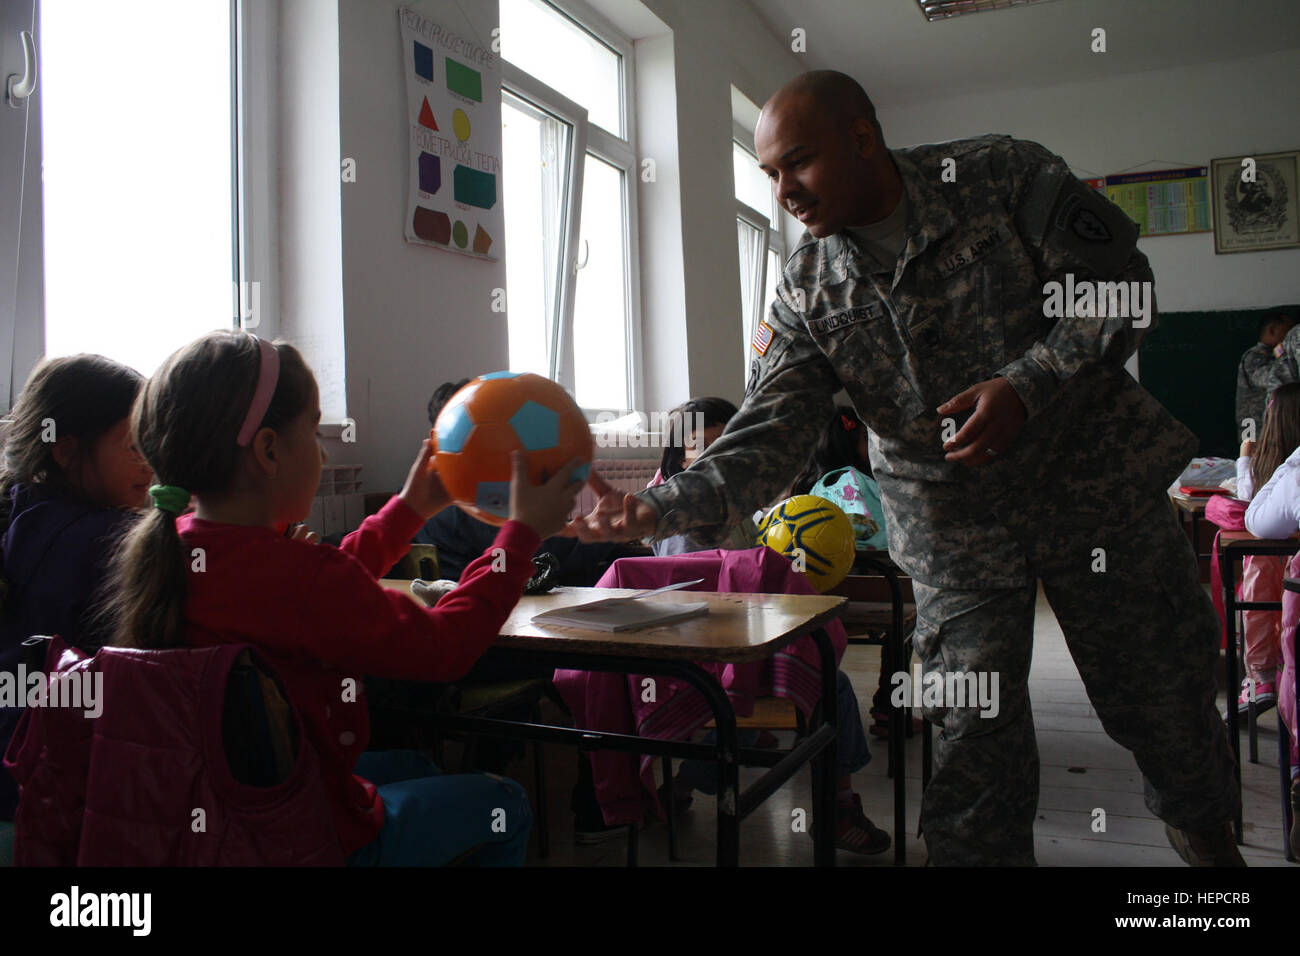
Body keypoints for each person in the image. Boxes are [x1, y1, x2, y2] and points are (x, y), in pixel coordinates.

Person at [569, 70, 1240, 866]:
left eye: (799, 163)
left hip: (1094, 494)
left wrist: (1029, 386)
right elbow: (769, 430)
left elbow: (1121, 290)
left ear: (862, 139)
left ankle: (1209, 854)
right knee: (971, 732)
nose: (784, 190)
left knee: (1165, 699)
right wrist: (660, 507)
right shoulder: (808, 286)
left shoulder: (1003, 176)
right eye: (770, 175)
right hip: (952, 529)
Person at [101, 331, 582, 866]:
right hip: (303, 836)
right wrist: (518, 537)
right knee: (505, 801)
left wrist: (407, 508)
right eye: (313, 427)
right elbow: (447, 647)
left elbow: (318, 591)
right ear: (267, 451)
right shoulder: (299, 575)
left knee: (418, 769)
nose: (323, 448)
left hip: (222, 812)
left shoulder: (181, 546)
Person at [647, 396, 889, 854]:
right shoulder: (684, 520)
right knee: (830, 685)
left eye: (731, 446)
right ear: (681, 455)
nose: (722, 460)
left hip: (735, 646)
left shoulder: (718, 504)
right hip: (706, 655)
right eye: (707, 447)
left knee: (765, 703)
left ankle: (683, 785)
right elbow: (705, 605)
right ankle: (838, 809)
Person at [0, 355, 151, 821]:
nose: (149, 463)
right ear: (65, 452)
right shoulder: (105, 537)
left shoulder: (21, 515)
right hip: (48, 796)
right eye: (132, 446)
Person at [1233, 384, 1300, 718]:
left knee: (1258, 558)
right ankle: (1273, 668)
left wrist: (1245, 457)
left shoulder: (1283, 470)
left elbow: (1253, 513)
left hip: (1285, 576)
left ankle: (1261, 675)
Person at [1236, 312, 1293, 441]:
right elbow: (1268, 379)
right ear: (1272, 330)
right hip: (1253, 425)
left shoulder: (1273, 355)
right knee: (1251, 458)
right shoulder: (1254, 356)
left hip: (1271, 425)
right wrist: (1283, 356)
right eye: (1287, 331)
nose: (1289, 337)